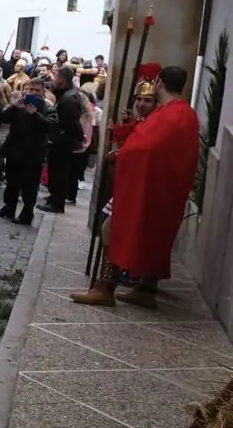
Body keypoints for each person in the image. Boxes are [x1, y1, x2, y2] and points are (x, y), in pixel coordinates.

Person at [71, 66, 200, 307]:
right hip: (167, 189)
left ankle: (105, 287)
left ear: (160, 83)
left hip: (147, 187)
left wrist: (121, 154)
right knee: (155, 238)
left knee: (111, 228)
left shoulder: (168, 115)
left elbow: (143, 147)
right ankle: (146, 289)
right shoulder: (188, 114)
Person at [0, 78, 58, 225]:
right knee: (11, 182)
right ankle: (8, 208)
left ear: (43, 92)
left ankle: (27, 214)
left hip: (34, 153)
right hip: (15, 149)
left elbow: (51, 126)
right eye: (31, 89)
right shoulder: (20, 104)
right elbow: (3, 118)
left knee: (29, 186)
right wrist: (14, 107)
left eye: (37, 90)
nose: (33, 93)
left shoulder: (48, 107)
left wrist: (35, 114)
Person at [40, 65, 88, 213]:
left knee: (59, 173)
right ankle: (54, 198)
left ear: (62, 79)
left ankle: (57, 203)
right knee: (55, 172)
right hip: (61, 139)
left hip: (63, 141)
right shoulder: (67, 95)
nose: (53, 79)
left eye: (56, 77)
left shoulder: (69, 99)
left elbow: (72, 122)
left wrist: (80, 136)